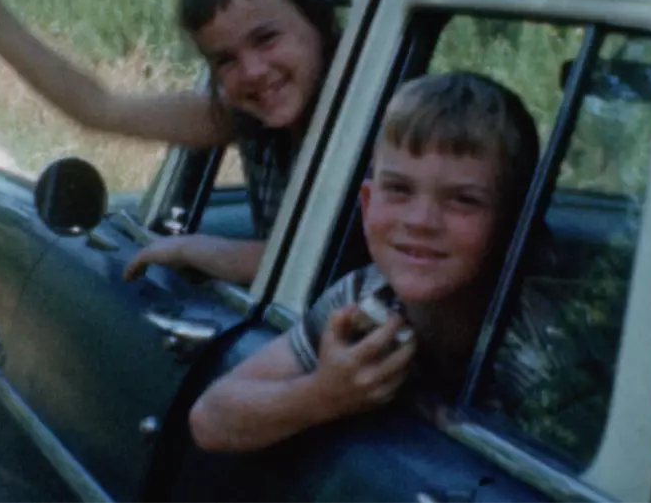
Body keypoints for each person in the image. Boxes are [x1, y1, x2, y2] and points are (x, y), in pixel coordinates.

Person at [0, 0, 342, 285]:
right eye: (225, 60)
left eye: (267, 39)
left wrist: (191, 248)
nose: (252, 71)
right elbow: (100, 107)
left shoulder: (379, 122)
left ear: (320, 24)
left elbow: (327, 266)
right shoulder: (244, 116)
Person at [188, 71, 541, 452]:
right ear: (368, 203)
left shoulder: (534, 342)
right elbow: (210, 417)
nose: (421, 221)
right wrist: (321, 395)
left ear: (511, 224)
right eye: (399, 190)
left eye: (463, 200)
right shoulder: (366, 296)